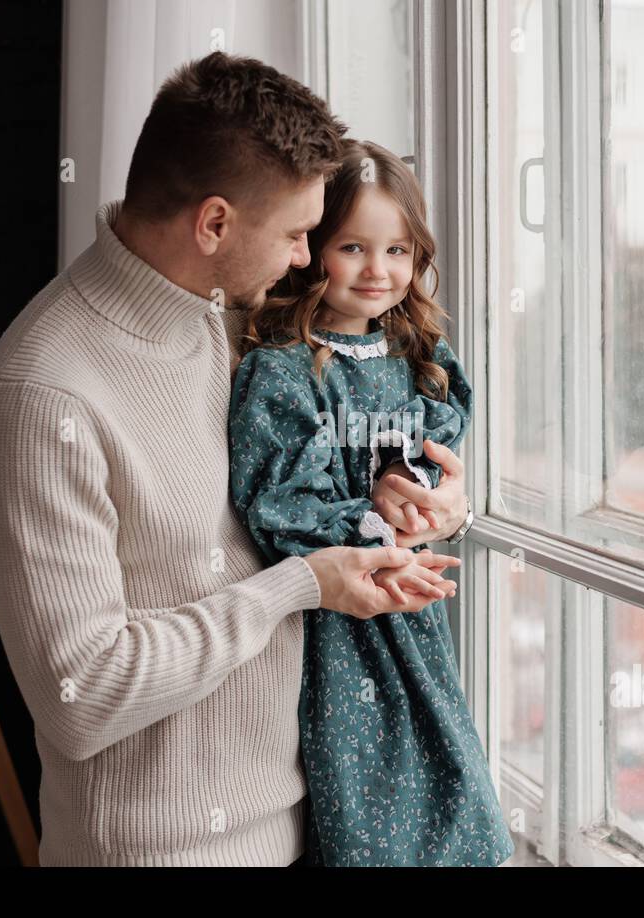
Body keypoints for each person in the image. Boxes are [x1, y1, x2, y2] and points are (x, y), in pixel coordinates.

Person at [0, 53, 472, 866]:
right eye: (297, 234)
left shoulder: (222, 322)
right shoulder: (47, 394)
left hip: (297, 825)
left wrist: (439, 504)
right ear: (214, 225)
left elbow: (339, 460)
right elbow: (83, 695)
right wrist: (298, 587)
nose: (311, 260)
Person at [229, 140, 513, 866]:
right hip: (335, 621)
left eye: (398, 250)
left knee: (456, 794)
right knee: (364, 821)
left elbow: (432, 466)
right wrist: (370, 514)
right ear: (313, 248)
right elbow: (276, 505)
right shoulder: (284, 371)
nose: (378, 271)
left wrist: (429, 496)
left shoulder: (419, 358)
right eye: (353, 247)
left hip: (415, 620)